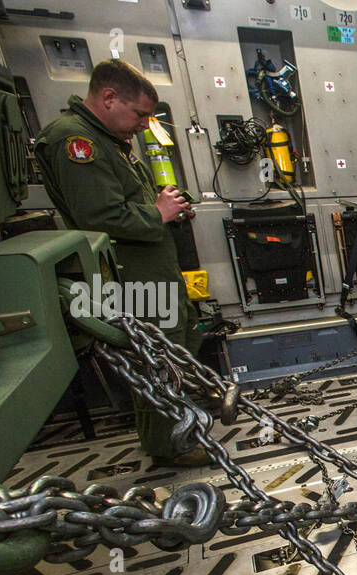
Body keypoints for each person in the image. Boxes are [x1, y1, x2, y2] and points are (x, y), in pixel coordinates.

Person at [35, 59, 209, 466]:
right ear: (109, 97)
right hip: (132, 277)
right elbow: (100, 217)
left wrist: (169, 205)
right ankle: (168, 447)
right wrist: (159, 214)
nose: (146, 125)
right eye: (141, 114)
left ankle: (177, 426)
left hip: (152, 270)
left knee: (177, 347)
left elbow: (132, 201)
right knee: (156, 360)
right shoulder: (76, 142)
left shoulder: (106, 140)